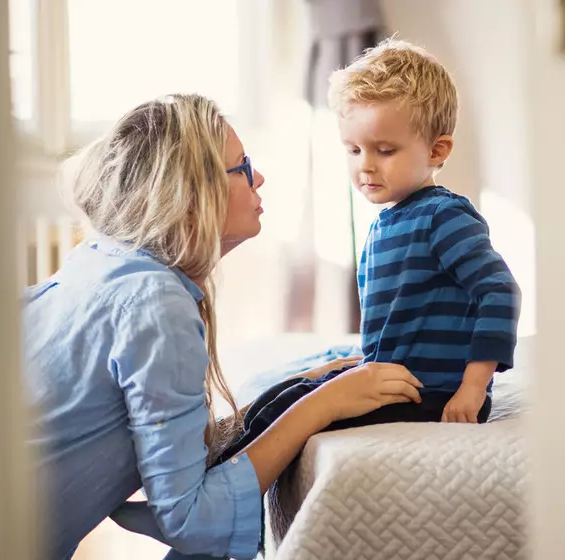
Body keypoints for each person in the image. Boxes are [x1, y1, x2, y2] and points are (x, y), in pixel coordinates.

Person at [21, 93, 424, 560]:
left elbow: (172, 446)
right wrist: (323, 406)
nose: (260, 177)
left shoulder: (97, 263)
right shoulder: (155, 302)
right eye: (242, 166)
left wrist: (295, 390)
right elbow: (192, 519)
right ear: (190, 199)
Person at [328, 38, 522, 424]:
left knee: (301, 409)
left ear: (436, 152)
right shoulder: (384, 226)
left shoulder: (442, 216)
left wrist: (473, 387)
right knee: (294, 393)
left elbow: (500, 292)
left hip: (433, 393)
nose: (365, 166)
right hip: (396, 385)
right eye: (353, 150)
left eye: (384, 150)